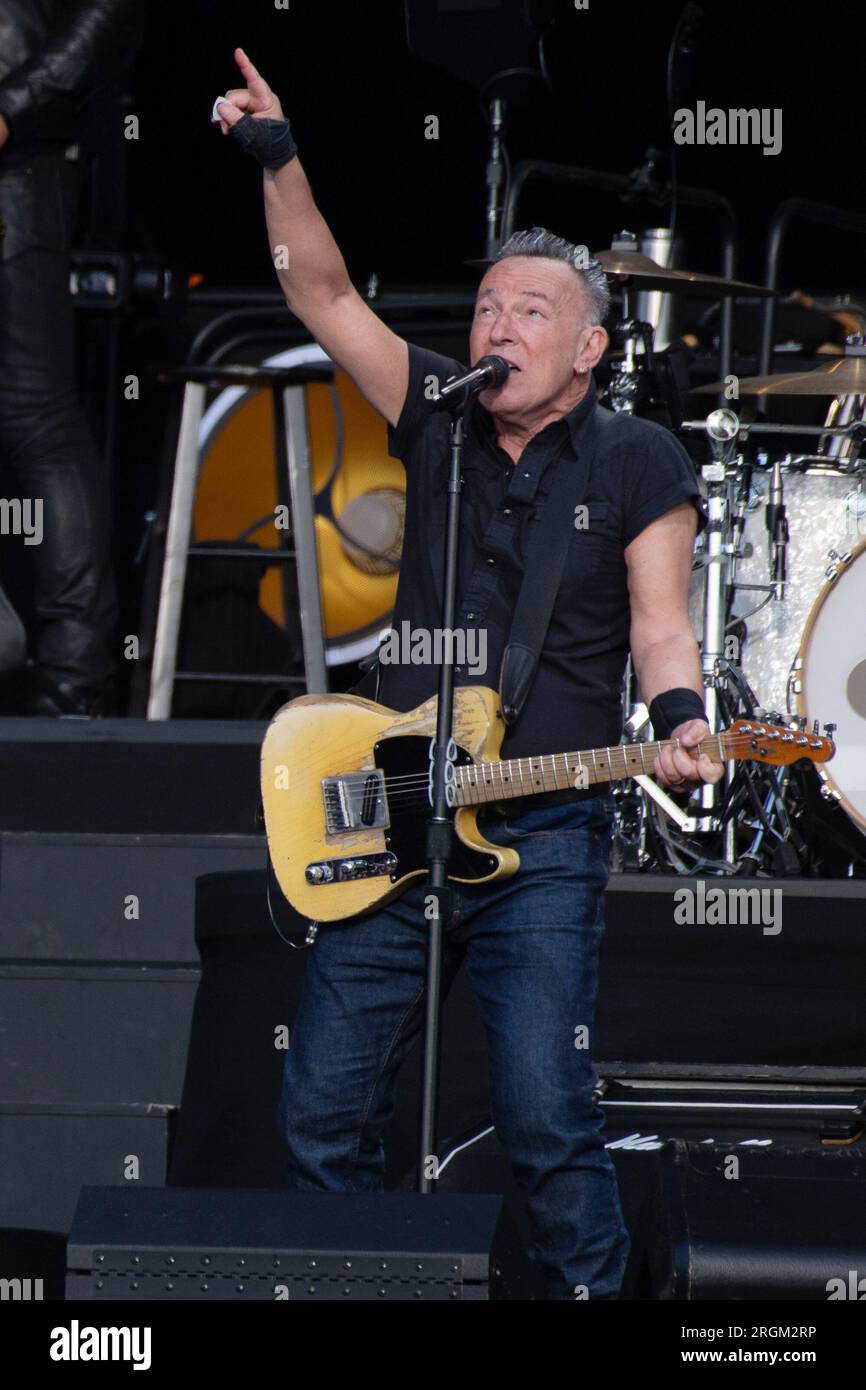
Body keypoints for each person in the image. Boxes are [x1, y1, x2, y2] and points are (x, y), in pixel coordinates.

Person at [215, 47, 724, 1300]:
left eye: (529, 311)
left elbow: (662, 629)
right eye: (488, 304)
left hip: (542, 829)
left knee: (547, 1120)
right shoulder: (438, 412)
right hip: (393, 811)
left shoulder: (636, 459)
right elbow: (322, 294)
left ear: (592, 347)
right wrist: (278, 157)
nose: (496, 324)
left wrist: (680, 717)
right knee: (324, 1111)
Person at [0, 0, 139, 716]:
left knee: (38, 421)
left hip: (15, 181)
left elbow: (109, 12)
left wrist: (11, 108)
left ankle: (73, 682)